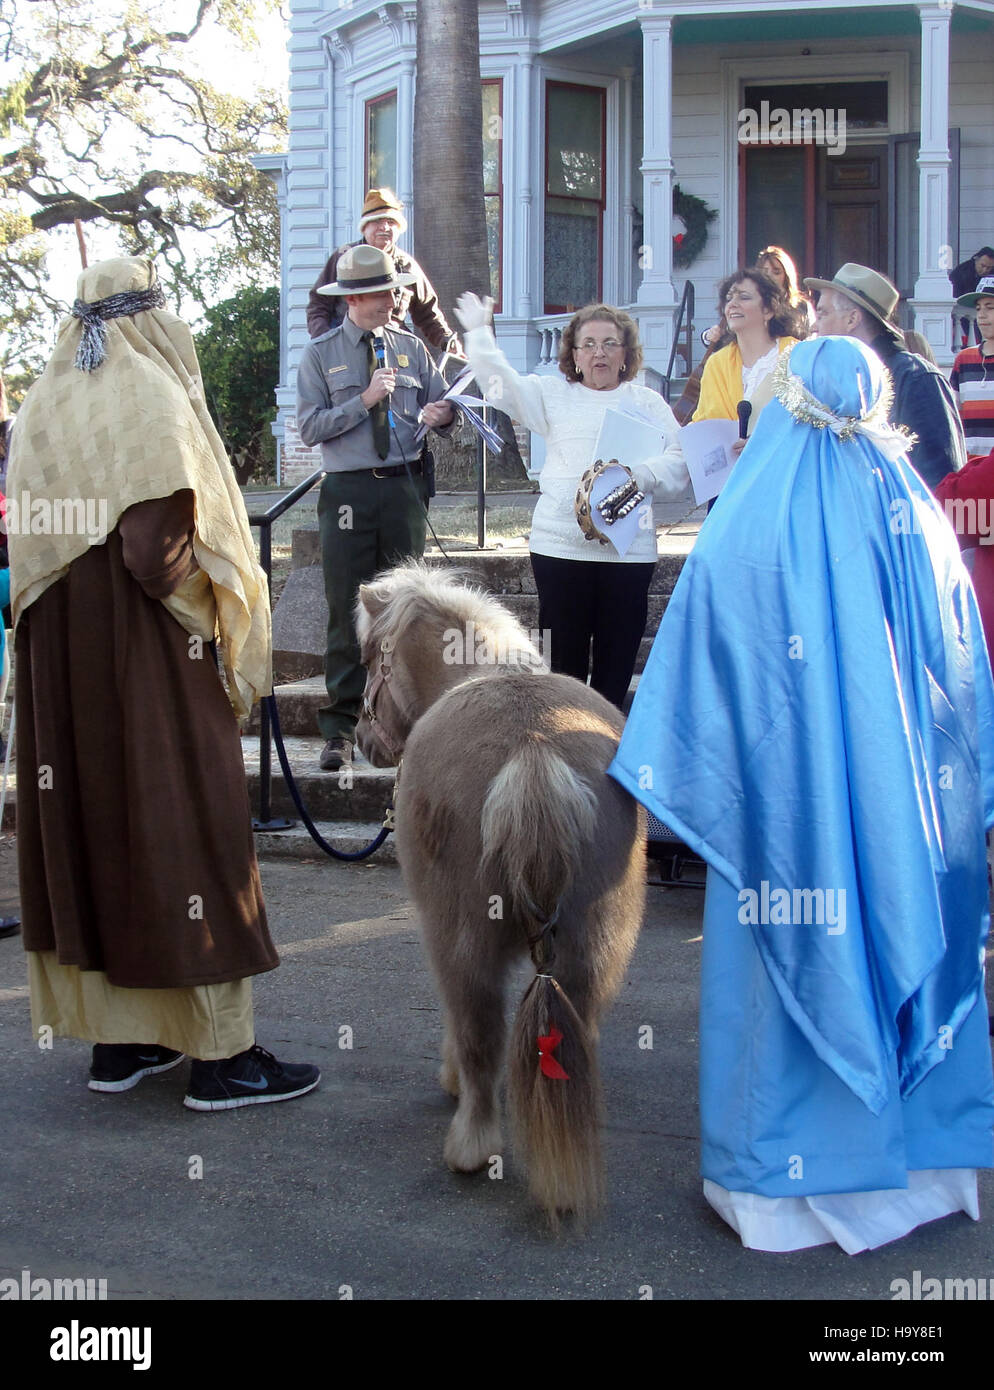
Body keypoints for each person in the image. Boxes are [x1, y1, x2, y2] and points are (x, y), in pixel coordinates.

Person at [610, 335, 994, 1254]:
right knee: (902, 922)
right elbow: (962, 671)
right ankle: (927, 1163)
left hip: (793, 828)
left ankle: (785, 1188)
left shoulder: (751, 521)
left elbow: (703, 655)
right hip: (910, 816)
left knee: (786, 964)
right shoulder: (917, 513)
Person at [7, 256, 320, 1110]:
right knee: (191, 829)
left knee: (107, 831)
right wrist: (210, 616)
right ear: (149, 317)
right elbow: (155, 552)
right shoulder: (148, 396)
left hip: (63, 666)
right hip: (147, 654)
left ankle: (123, 1043)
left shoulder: (42, 404)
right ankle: (223, 1058)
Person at [455, 292, 688, 710]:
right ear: (574, 355)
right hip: (560, 550)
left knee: (616, 663)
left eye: (610, 344)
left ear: (626, 354)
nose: (599, 353)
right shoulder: (551, 393)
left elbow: (679, 461)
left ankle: (605, 753)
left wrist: (642, 475)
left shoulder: (647, 402)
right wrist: (479, 334)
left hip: (628, 555)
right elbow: (501, 385)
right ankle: (563, 747)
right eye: (589, 344)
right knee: (564, 663)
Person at [297, 242, 456, 771]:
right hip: (349, 491)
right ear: (353, 300)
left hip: (402, 487)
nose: (392, 300)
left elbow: (443, 401)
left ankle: (405, 721)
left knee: (407, 608)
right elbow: (309, 426)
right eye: (381, 293)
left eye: (393, 290)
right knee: (348, 607)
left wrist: (442, 413)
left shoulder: (412, 347)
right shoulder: (321, 354)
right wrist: (363, 400)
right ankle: (340, 728)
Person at [807, 262, 966, 490]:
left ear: (852, 319)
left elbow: (938, 484)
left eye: (822, 313)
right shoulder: (833, 383)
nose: (814, 325)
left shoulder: (916, 379)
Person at [306, 187, 459, 352]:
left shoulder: (407, 266)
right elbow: (318, 305)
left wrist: (447, 341)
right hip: (346, 348)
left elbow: (428, 312)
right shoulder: (344, 258)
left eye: (391, 222)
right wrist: (326, 342)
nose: (385, 227)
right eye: (377, 221)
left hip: (392, 348)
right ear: (364, 227)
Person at [692, 267, 799, 455]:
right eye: (729, 298)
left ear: (768, 309)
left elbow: (807, 425)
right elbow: (704, 429)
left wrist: (763, 444)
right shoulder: (716, 364)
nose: (732, 304)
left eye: (744, 297)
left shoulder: (796, 355)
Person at [950, 274, 994, 459]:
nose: (981, 315)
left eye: (990, 307)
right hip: (970, 468)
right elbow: (953, 415)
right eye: (978, 309)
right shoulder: (964, 359)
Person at [756, 245, 814, 338]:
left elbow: (811, 339)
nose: (769, 276)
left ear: (786, 276)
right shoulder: (751, 305)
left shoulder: (802, 306)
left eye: (776, 272)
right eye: (765, 272)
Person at [950, 247, 994, 347]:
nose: (985, 270)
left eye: (989, 268)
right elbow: (955, 294)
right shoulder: (962, 272)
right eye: (983, 266)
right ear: (975, 259)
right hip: (965, 311)